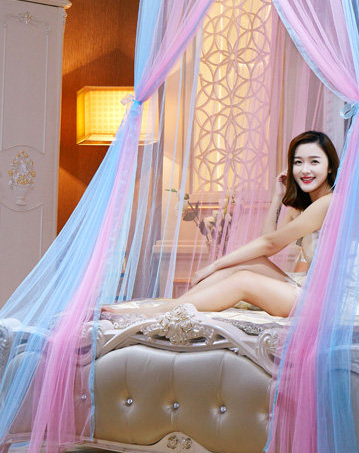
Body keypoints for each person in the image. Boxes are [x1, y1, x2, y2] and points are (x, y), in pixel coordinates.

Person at [105, 131, 338, 318]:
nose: (305, 170)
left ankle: (160, 312)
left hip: (329, 303)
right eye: (298, 162)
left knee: (244, 279)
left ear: (329, 167)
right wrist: (278, 196)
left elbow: (270, 244)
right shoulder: (305, 208)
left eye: (314, 162)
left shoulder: (329, 202)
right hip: (309, 292)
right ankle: (175, 306)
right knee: (249, 263)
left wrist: (213, 266)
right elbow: (268, 239)